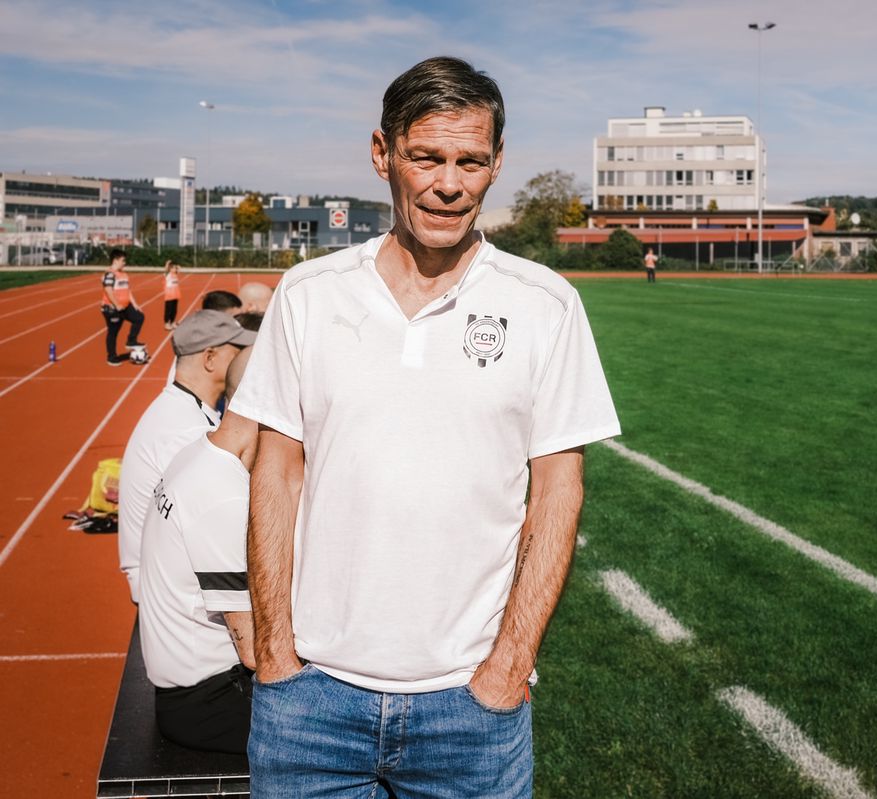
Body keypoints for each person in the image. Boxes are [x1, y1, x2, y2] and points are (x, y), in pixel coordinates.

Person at [232, 56, 620, 798]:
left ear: (496, 163)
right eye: (427, 158)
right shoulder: (309, 294)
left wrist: (508, 668)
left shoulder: (546, 304)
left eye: (471, 161)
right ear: (383, 154)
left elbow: (559, 492)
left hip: (471, 712)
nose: (449, 183)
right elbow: (276, 470)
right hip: (311, 703)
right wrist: (277, 654)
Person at [138, 347, 259, 753]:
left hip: (191, 683)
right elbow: (259, 652)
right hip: (211, 698)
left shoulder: (197, 455)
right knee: (360, 733)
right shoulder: (223, 496)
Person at [118, 310, 256, 604]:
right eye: (238, 350)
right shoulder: (186, 431)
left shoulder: (178, 408)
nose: (247, 358)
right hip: (171, 596)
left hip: (161, 580)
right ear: (209, 359)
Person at [101, 248, 147, 366]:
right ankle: (111, 357)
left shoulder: (124, 274)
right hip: (112, 309)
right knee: (113, 332)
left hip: (125, 306)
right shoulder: (110, 274)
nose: (124, 263)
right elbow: (108, 290)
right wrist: (116, 304)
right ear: (115, 260)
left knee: (139, 317)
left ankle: (131, 341)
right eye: (123, 260)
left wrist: (135, 305)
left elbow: (128, 291)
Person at [163, 261, 182, 330]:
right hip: (169, 296)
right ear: (170, 269)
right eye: (173, 268)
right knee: (168, 310)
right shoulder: (168, 275)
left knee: (174, 310)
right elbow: (165, 271)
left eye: (175, 268)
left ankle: (172, 322)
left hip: (176, 296)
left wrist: (177, 267)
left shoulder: (175, 275)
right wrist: (167, 264)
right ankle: (166, 323)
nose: (175, 269)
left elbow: (179, 269)